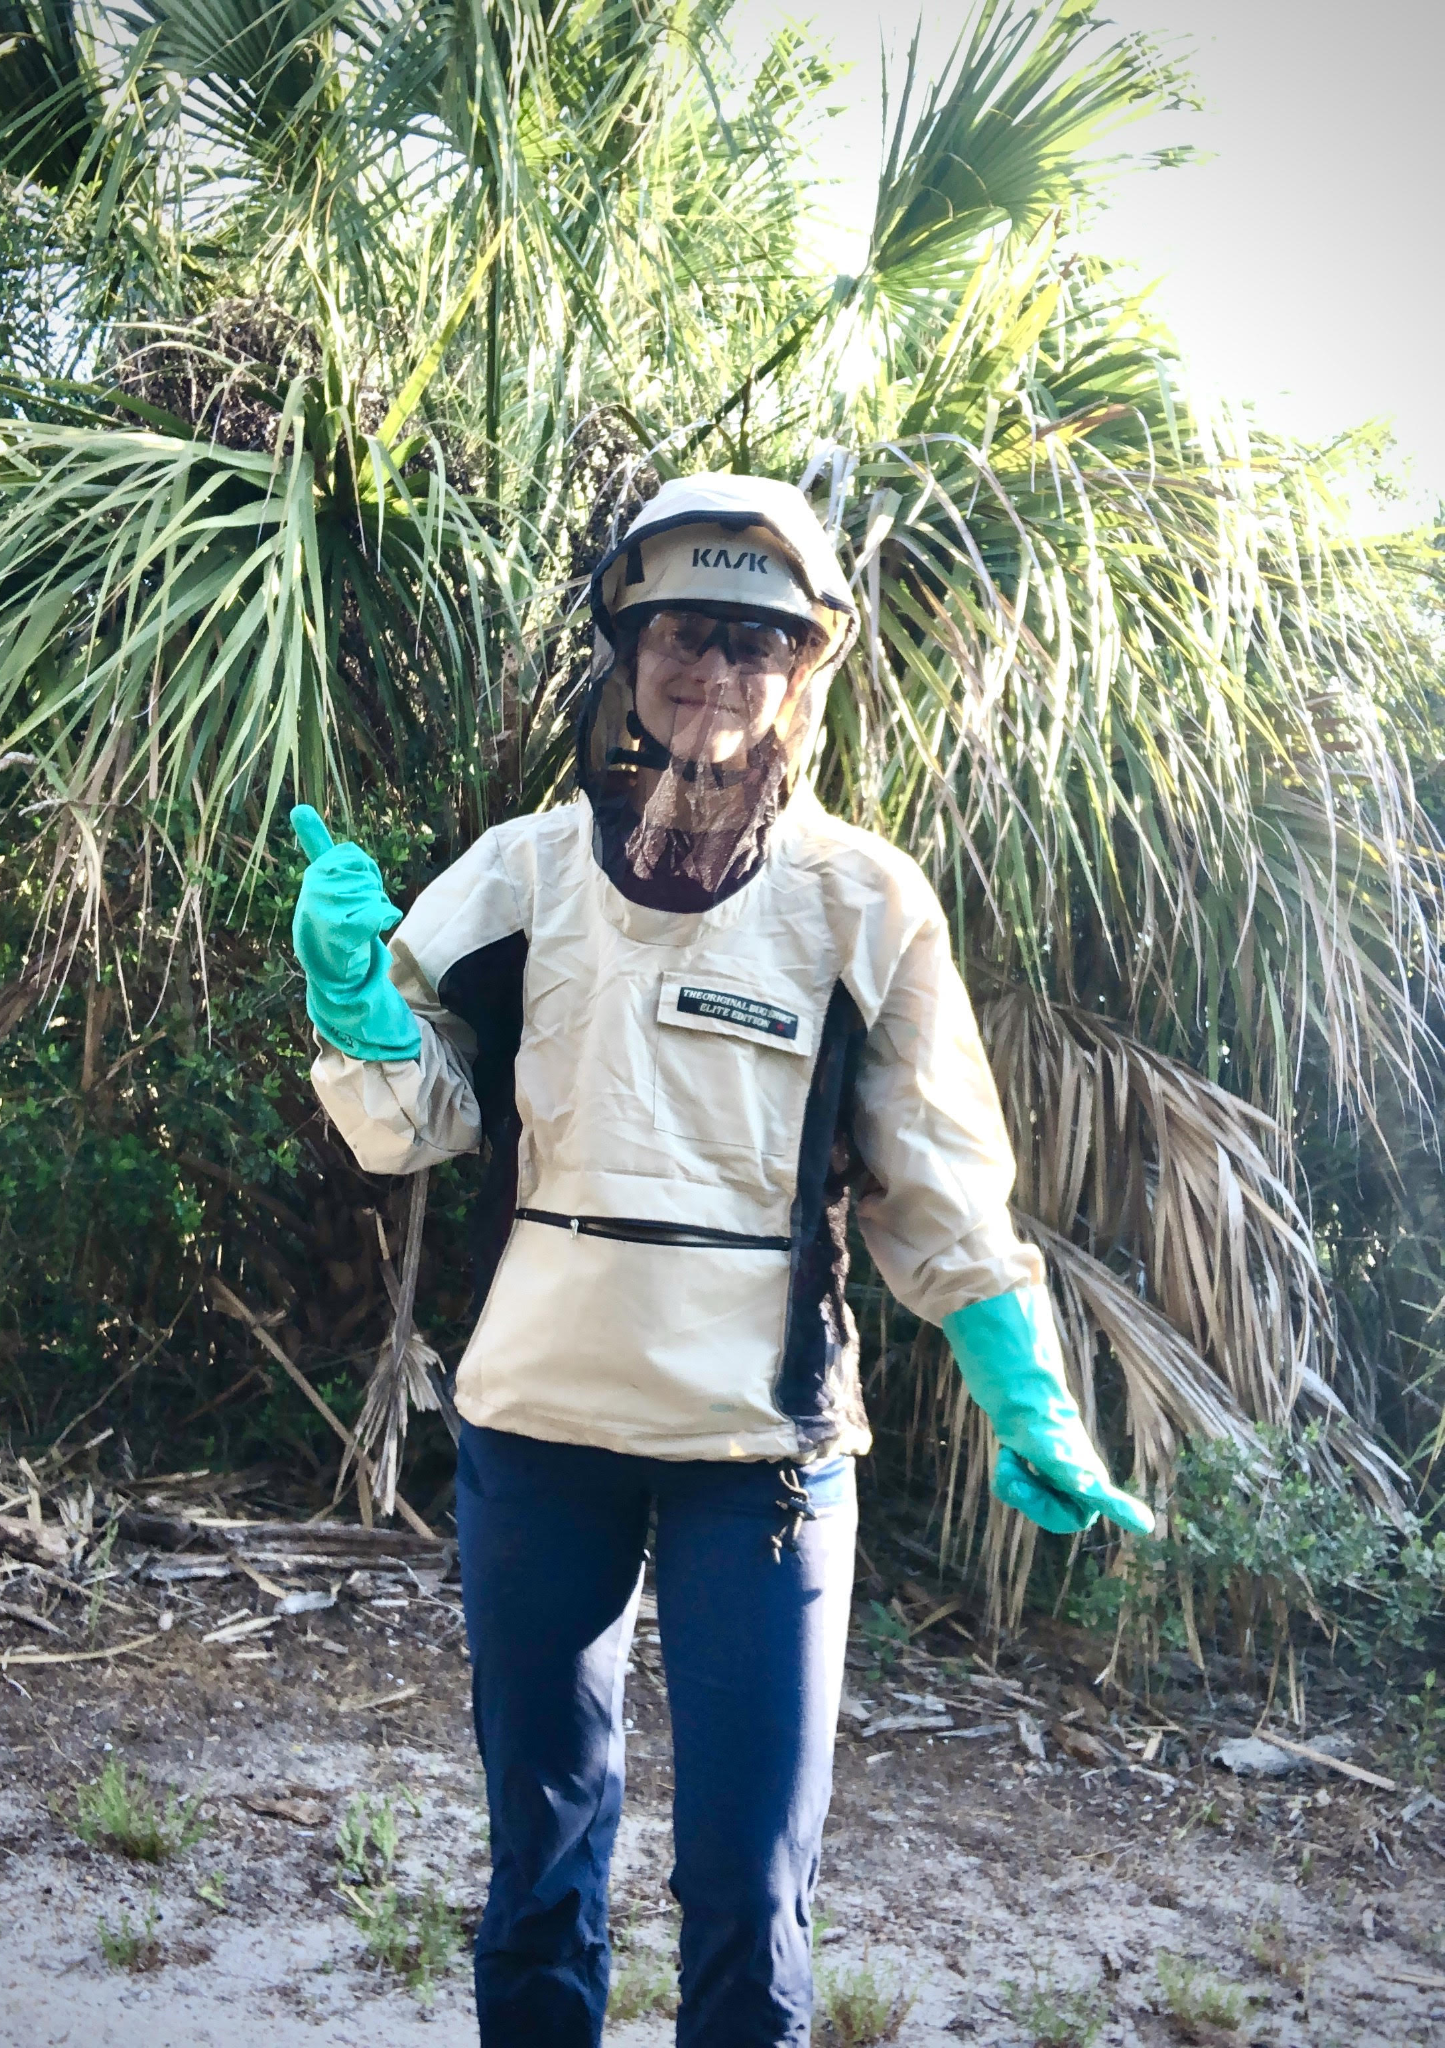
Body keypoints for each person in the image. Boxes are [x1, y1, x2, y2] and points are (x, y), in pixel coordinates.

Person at [289, 471, 1151, 2048]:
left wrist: (1023, 1388)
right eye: (686, 631)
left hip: (759, 1450)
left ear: (802, 673)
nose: (716, 671)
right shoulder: (522, 873)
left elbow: (940, 1181)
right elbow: (408, 1127)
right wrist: (352, 999)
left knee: (751, 1883)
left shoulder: (859, 901)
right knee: (538, 1860)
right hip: (537, 1430)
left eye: (758, 642)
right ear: (626, 649)